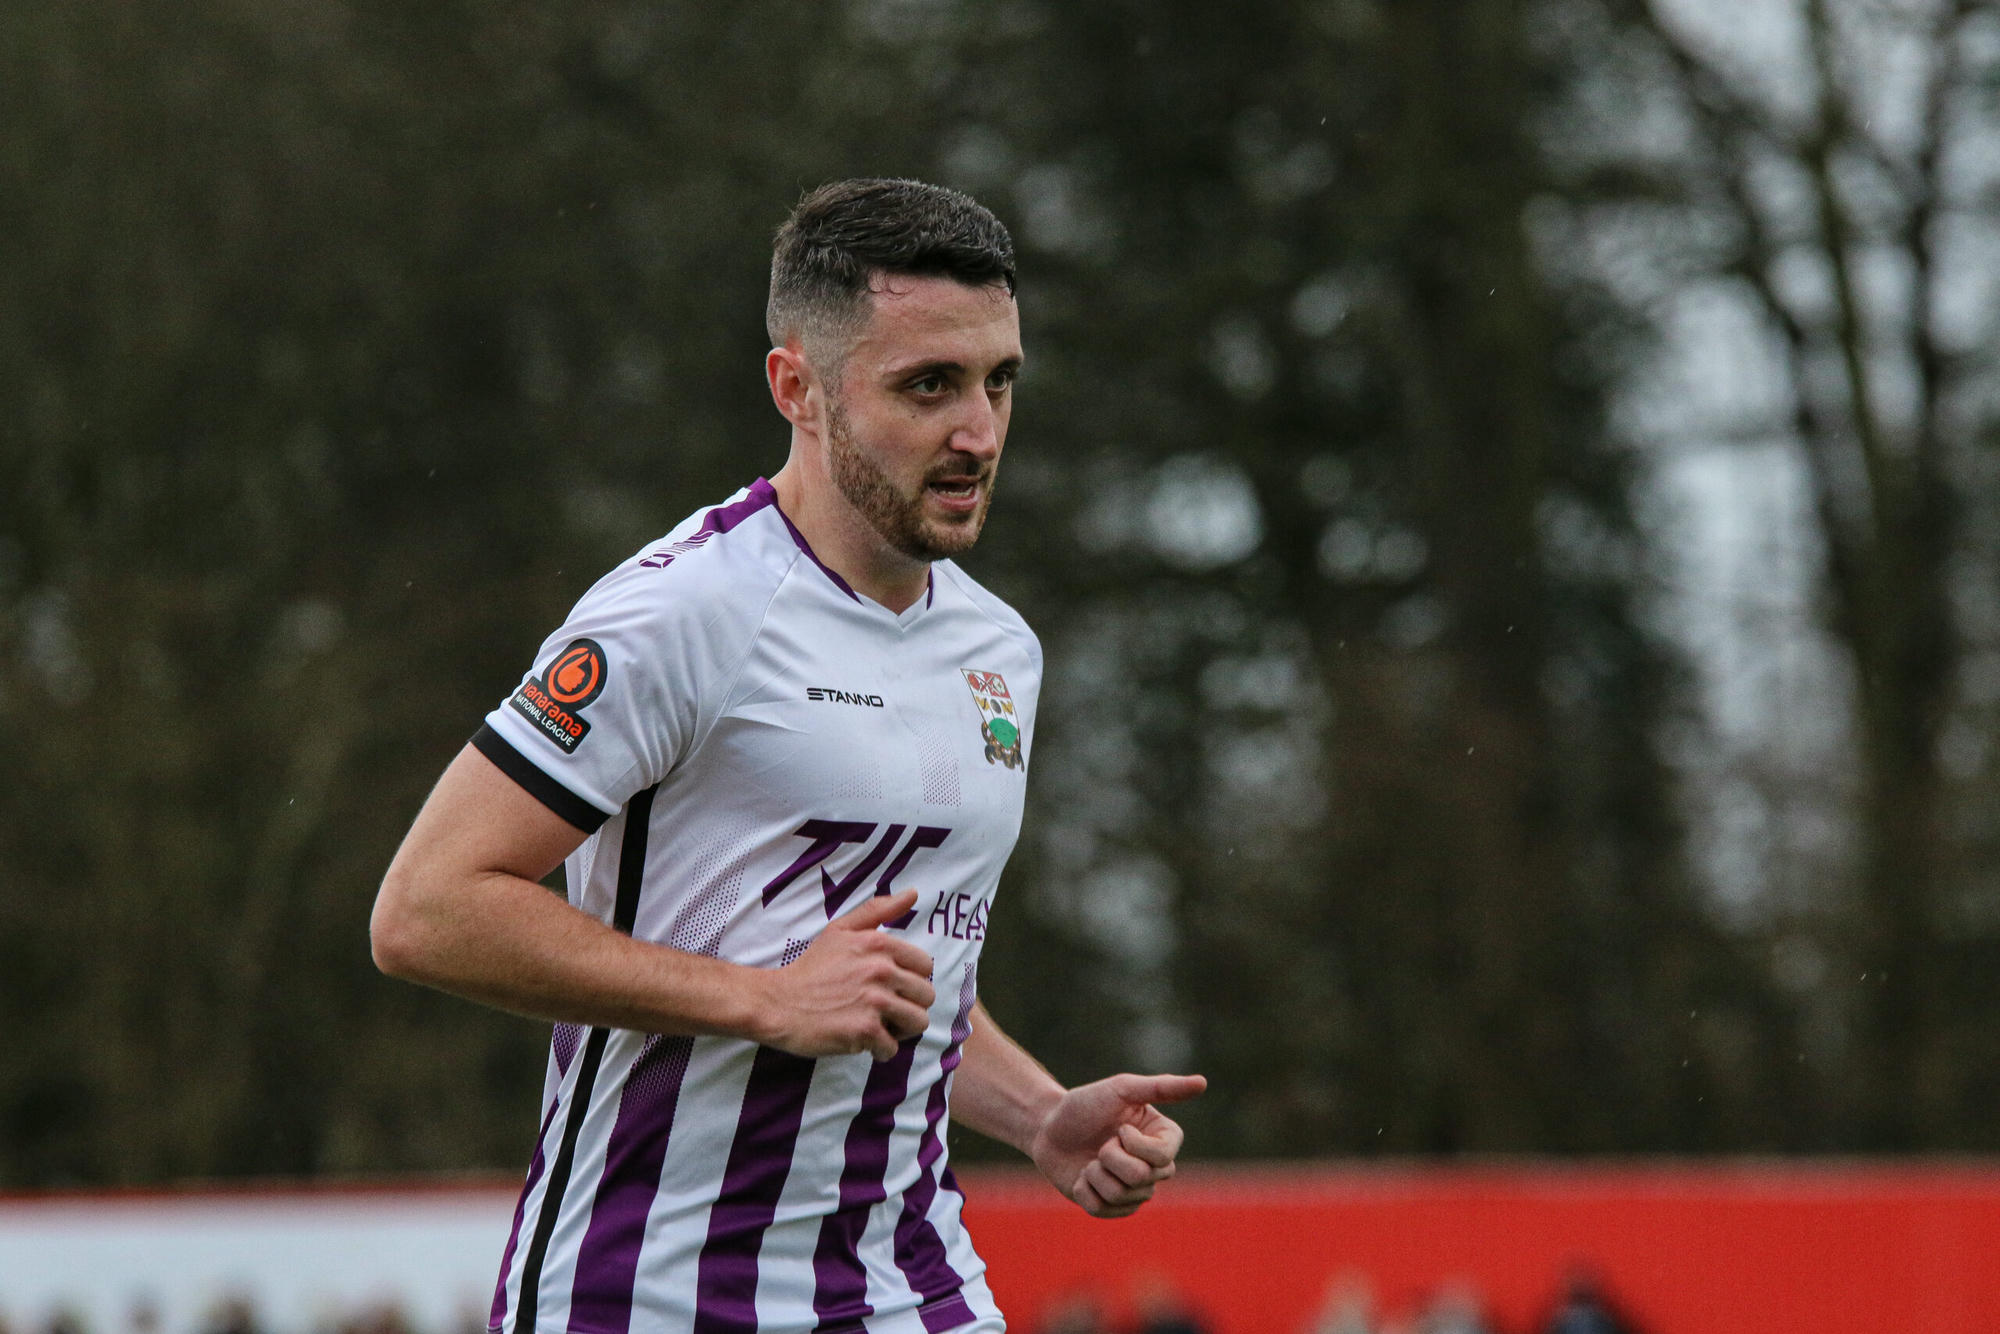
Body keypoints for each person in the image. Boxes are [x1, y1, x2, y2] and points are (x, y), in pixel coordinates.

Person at [371, 178, 1205, 1334]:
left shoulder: (996, 649)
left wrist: (1039, 1112)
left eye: (997, 381)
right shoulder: (679, 616)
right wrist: (761, 999)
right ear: (795, 388)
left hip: (909, 1280)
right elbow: (426, 908)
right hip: (650, 1288)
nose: (977, 432)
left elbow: (901, 976)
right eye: (927, 385)